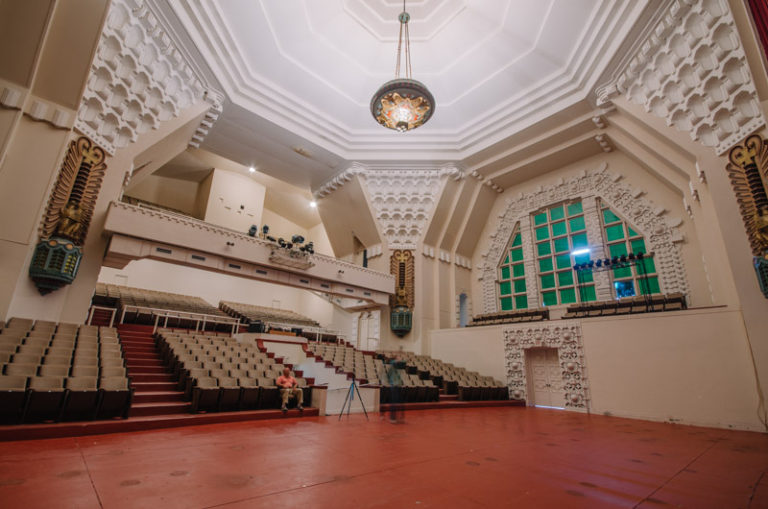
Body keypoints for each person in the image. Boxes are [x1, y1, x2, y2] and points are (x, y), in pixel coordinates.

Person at [386, 354, 404, 423]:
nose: (400, 358)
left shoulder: (397, 367)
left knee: (399, 402)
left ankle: (399, 417)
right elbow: (388, 376)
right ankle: (392, 418)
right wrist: (392, 383)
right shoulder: (392, 365)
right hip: (394, 386)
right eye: (399, 357)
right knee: (394, 402)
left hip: (398, 386)